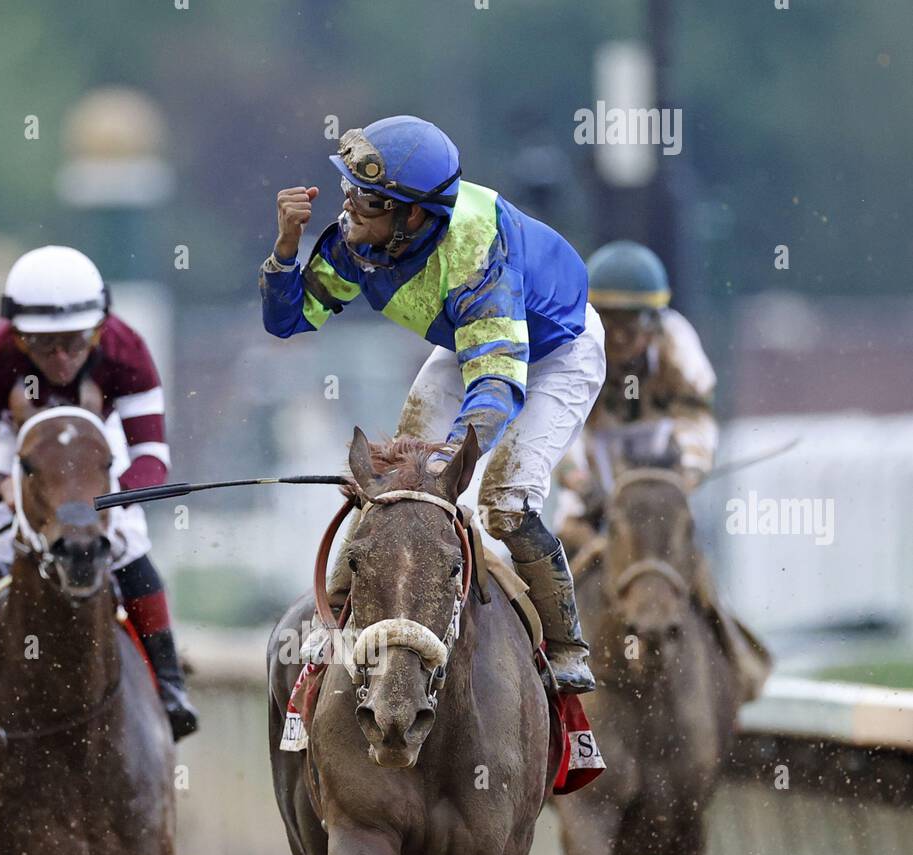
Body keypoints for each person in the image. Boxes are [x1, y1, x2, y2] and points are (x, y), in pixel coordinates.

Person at [260, 116, 606, 692]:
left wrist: (446, 460)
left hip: (555, 354)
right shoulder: (366, 237)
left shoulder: (477, 261)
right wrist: (285, 249)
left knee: (506, 501)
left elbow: (497, 387)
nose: (349, 211)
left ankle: (567, 645)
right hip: (466, 342)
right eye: (348, 192)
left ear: (412, 215)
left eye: (365, 201)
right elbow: (289, 320)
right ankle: (339, 615)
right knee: (397, 482)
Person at [0, 245, 198, 739]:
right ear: (17, 337)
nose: (63, 358)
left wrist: (112, 497)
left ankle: (170, 684)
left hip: (97, 444)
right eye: (44, 346)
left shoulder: (127, 350)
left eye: (75, 342)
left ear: (98, 330)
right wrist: (4, 486)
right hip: (18, 443)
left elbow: (152, 458)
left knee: (131, 547)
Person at [555, 239, 770, 700]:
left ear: (653, 324)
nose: (617, 339)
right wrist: (579, 481)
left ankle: (735, 660)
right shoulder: (572, 344)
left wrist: (687, 474)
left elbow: (695, 418)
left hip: (658, 475)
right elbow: (555, 425)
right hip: (594, 471)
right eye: (608, 325)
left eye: (629, 327)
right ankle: (541, 656)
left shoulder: (678, 344)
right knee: (549, 565)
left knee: (687, 561)